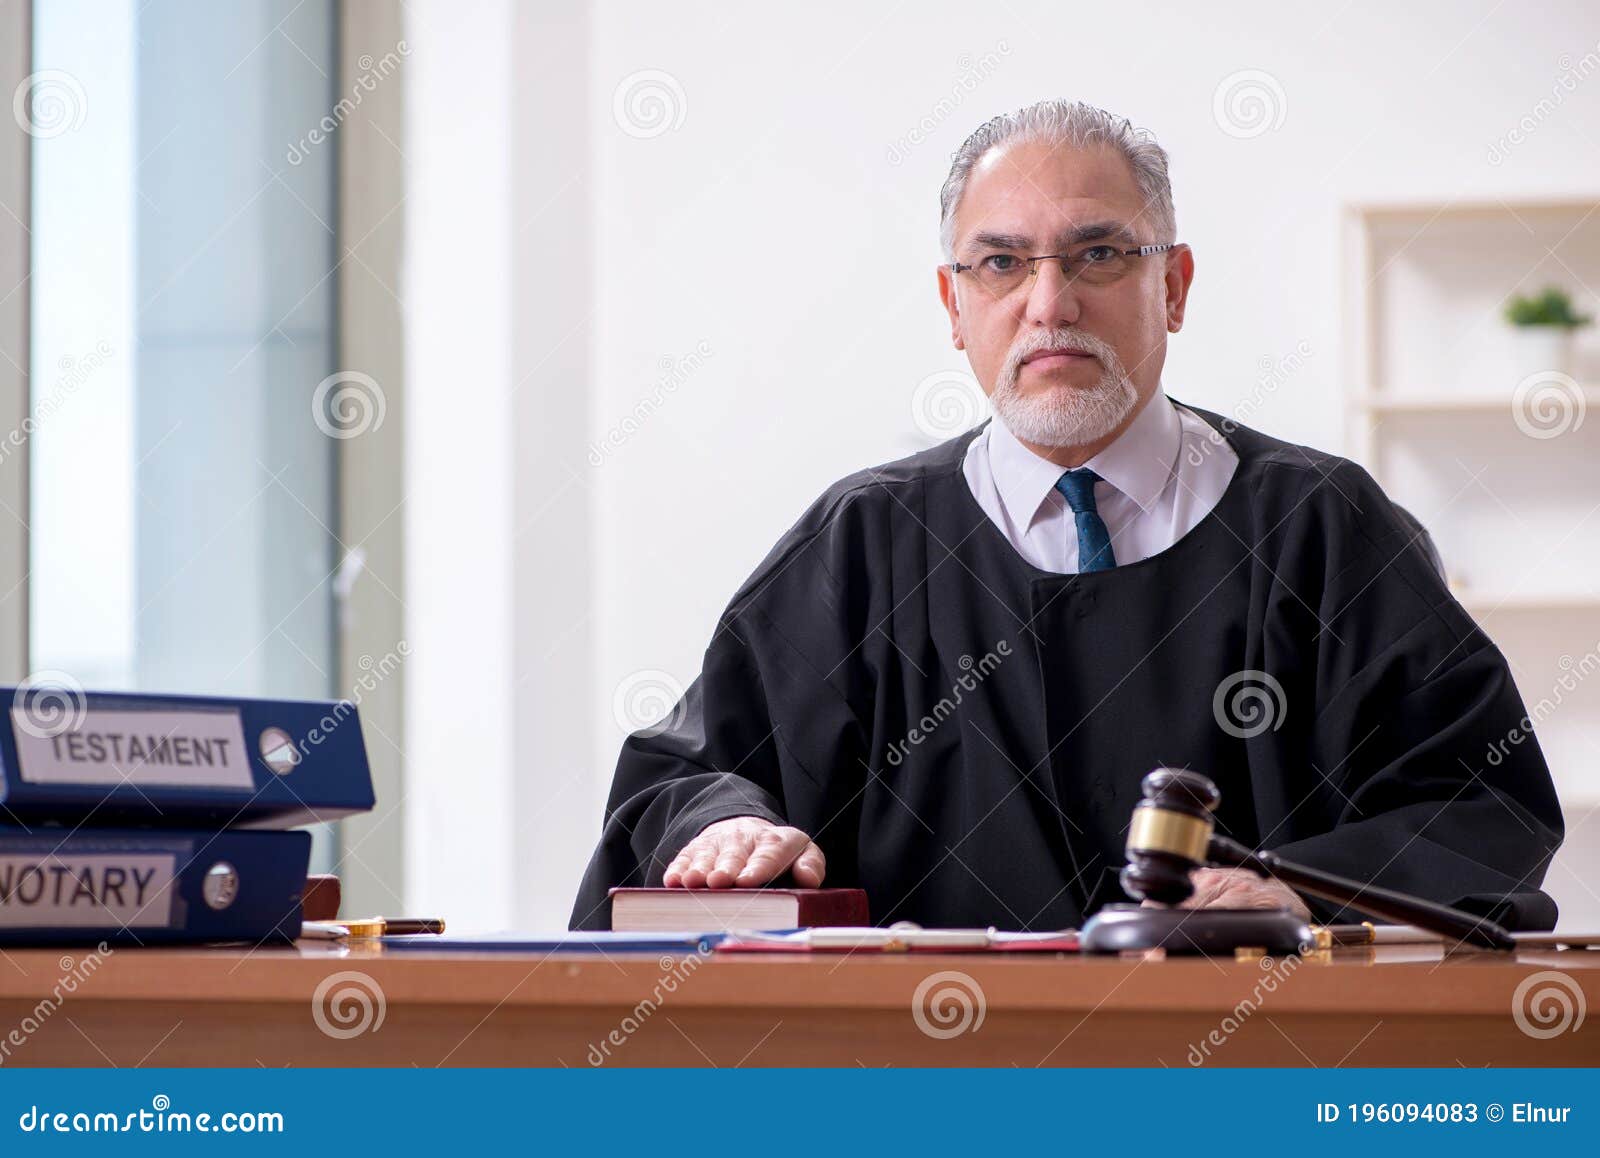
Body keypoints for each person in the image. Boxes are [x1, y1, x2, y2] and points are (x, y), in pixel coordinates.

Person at [570, 99, 1564, 933]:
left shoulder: (1321, 529)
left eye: (1095, 255)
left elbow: (1477, 804)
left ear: (1170, 286)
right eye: (1000, 264)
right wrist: (727, 828)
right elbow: (684, 775)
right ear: (952, 306)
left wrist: (1291, 889)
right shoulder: (863, 546)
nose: (1049, 304)